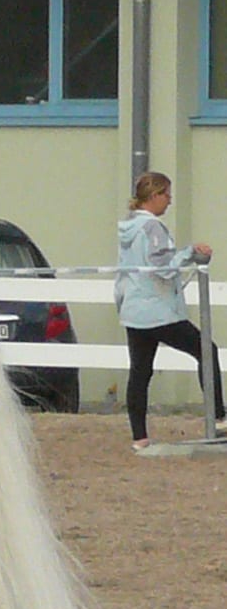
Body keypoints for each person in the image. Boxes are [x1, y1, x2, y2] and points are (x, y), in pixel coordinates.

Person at [115, 171, 223, 449]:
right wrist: (189, 253)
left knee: (140, 371)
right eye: (167, 195)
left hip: (134, 311)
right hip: (158, 311)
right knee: (206, 351)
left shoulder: (129, 227)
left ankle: (139, 436)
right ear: (154, 196)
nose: (170, 201)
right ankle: (219, 417)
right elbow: (161, 268)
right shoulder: (152, 229)